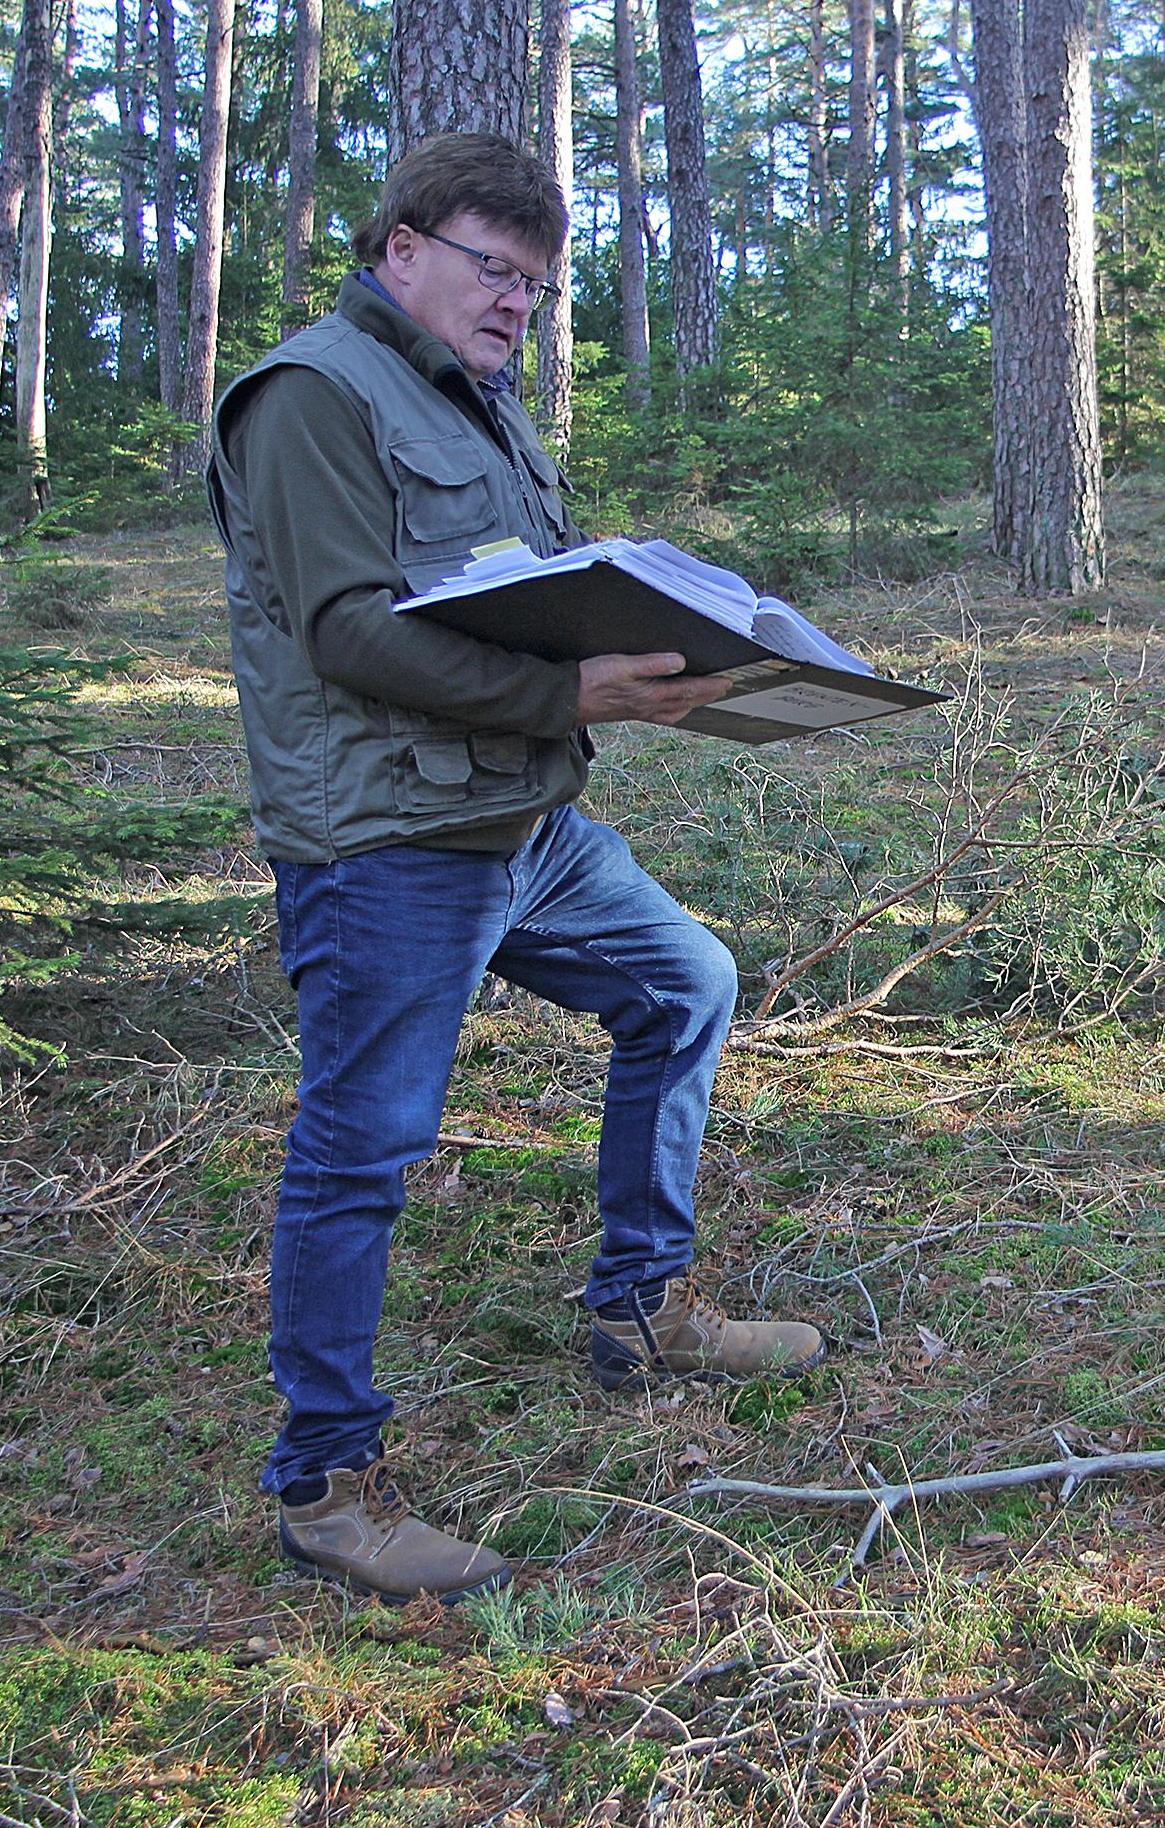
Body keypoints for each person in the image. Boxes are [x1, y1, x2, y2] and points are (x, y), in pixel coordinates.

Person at [204, 133, 826, 1606]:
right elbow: (348, 631)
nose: (516, 309)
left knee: (686, 982)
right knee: (364, 1147)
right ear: (401, 244)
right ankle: (325, 1486)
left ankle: (641, 1307)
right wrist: (579, 694)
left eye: (537, 291)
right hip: (387, 839)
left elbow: (508, 599)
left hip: (521, 825)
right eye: (497, 272)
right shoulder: (310, 396)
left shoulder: (476, 406)